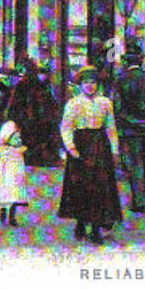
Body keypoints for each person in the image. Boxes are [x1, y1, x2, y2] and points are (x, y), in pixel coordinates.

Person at [58, 65, 122, 245]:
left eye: (93, 82)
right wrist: (71, 148)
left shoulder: (105, 103)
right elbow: (66, 127)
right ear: (80, 85)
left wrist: (115, 149)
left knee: (100, 186)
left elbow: (111, 127)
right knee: (80, 185)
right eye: (86, 83)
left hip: (99, 146)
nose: (90, 86)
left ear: (98, 84)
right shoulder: (73, 104)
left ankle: (95, 228)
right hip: (81, 145)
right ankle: (80, 222)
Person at [112, 42, 145, 213]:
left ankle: (139, 201)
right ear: (141, 61)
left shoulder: (120, 79)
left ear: (126, 61)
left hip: (130, 129)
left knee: (134, 163)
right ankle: (144, 195)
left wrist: (129, 122)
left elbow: (117, 107)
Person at [6, 58, 63, 167]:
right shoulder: (32, 85)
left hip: (35, 120)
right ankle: (34, 158)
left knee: (33, 140)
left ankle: (34, 158)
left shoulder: (37, 85)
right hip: (31, 120)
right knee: (32, 140)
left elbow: (48, 102)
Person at [0, 120, 28, 226]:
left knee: (14, 196)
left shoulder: (19, 151)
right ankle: (2, 213)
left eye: (19, 138)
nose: (19, 140)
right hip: (5, 177)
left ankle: (12, 216)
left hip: (15, 178)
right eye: (15, 138)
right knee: (4, 195)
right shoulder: (2, 151)